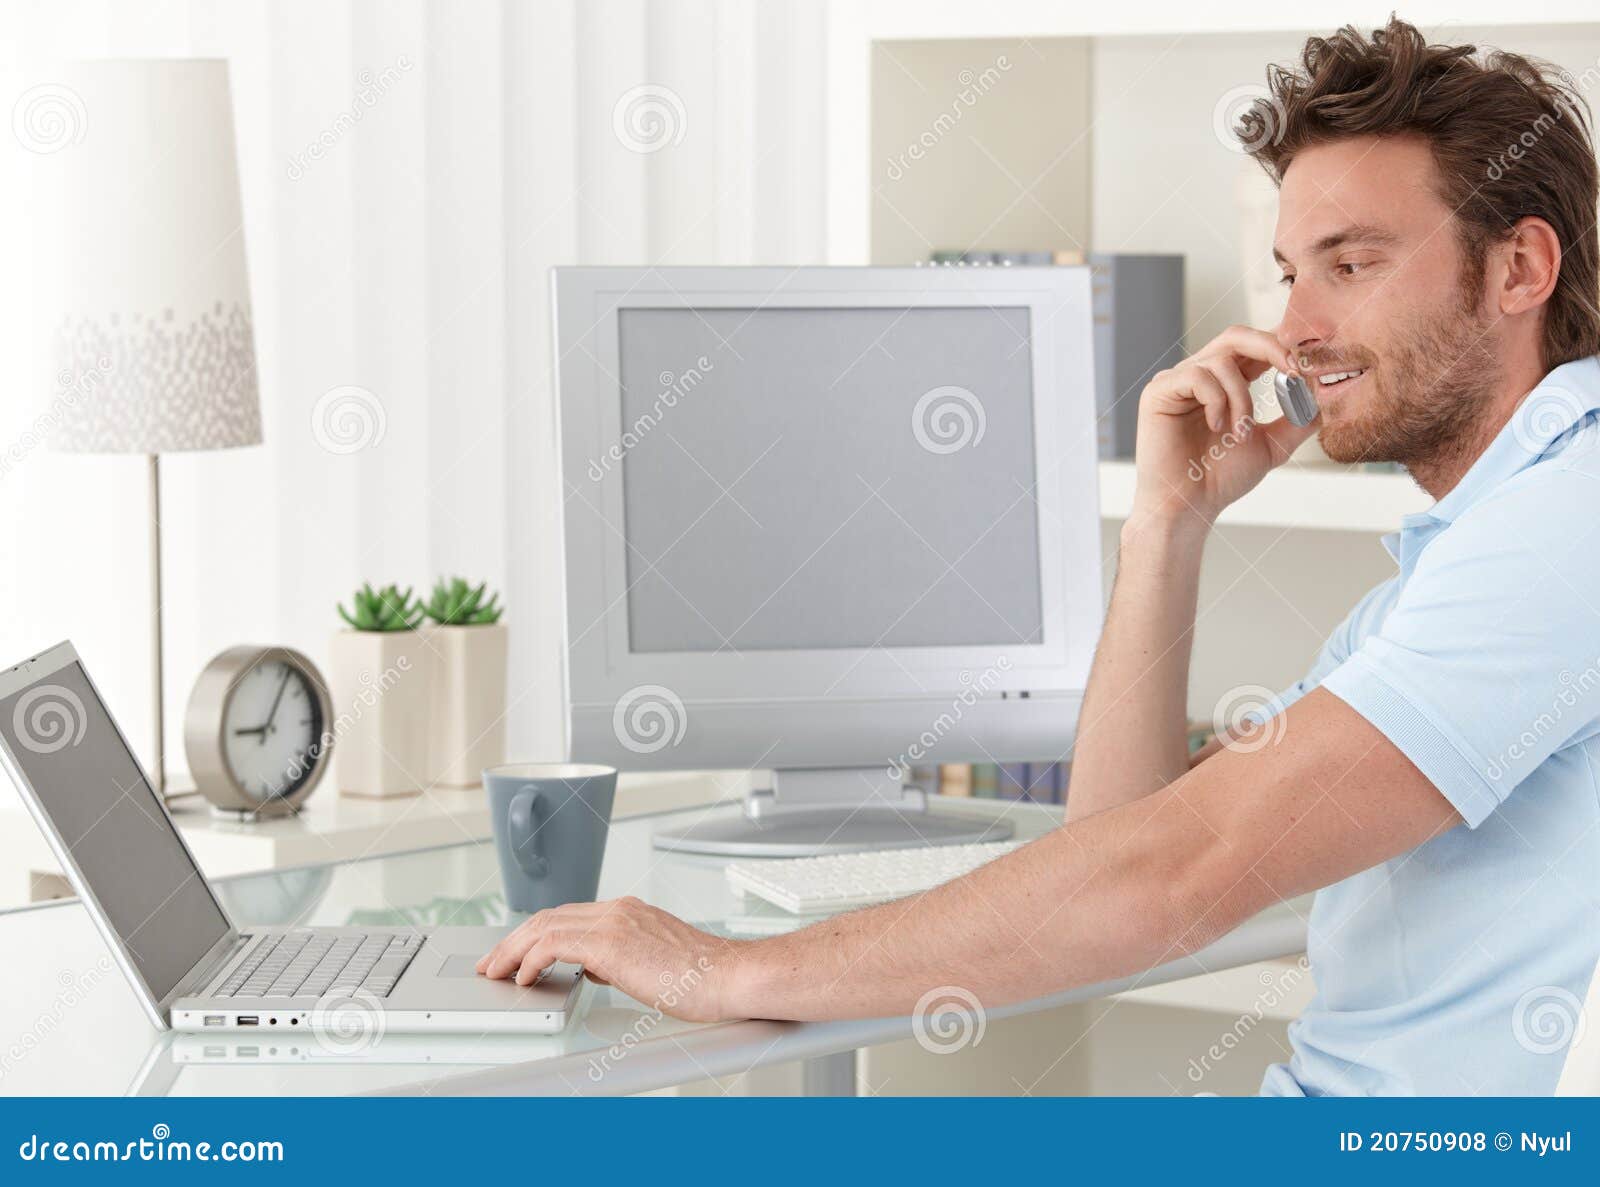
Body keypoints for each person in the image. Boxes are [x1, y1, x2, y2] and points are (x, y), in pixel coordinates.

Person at [479, 17, 1600, 1095]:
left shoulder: (1566, 524)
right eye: (1289, 271)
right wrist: (1167, 524)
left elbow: (1170, 875)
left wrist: (725, 971)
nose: (1296, 326)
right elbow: (1120, 849)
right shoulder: (1466, 552)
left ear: (1518, 268)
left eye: (1350, 265)